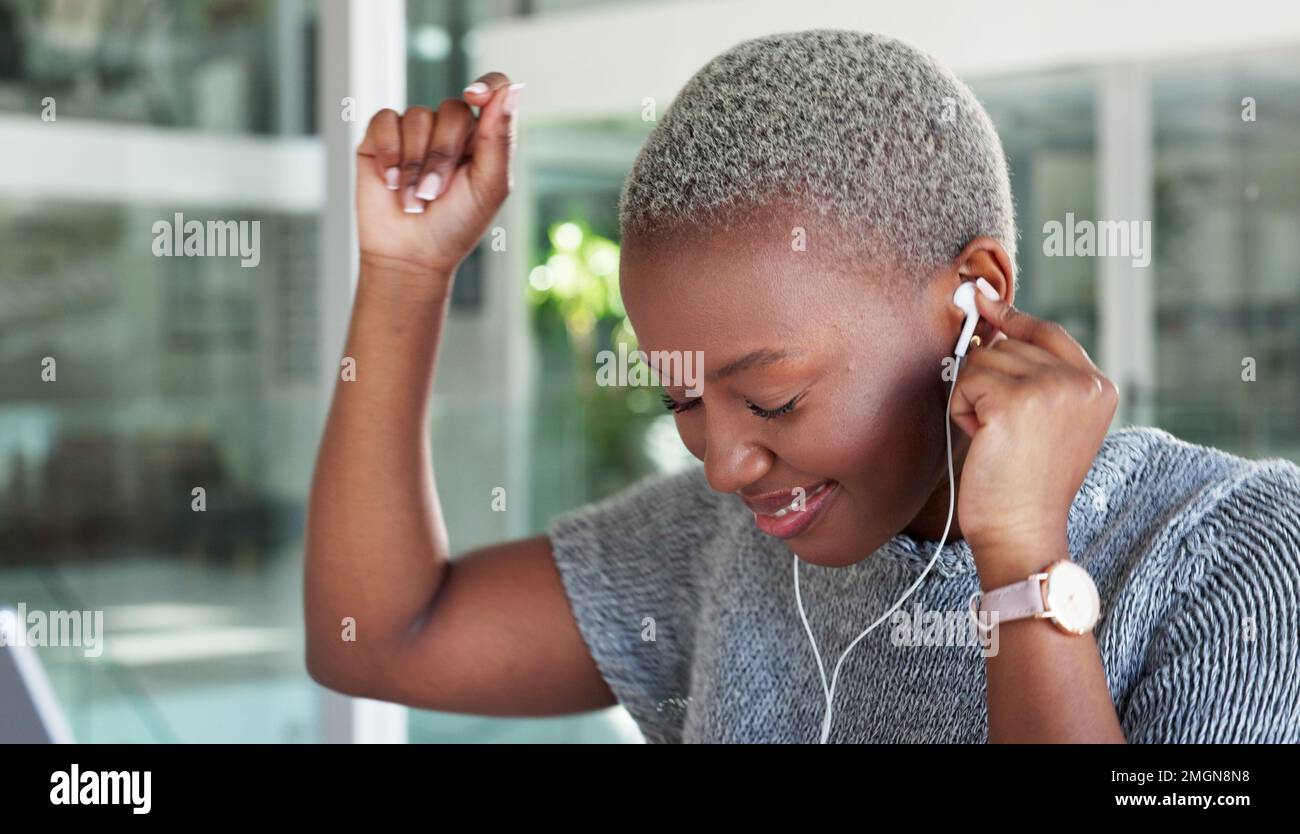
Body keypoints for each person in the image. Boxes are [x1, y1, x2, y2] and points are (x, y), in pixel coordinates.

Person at [303, 29, 1300, 743]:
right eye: (682, 400)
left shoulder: (1232, 557)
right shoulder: (723, 548)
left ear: (974, 297)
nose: (728, 464)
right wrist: (405, 276)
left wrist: (1023, 562)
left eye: (773, 400)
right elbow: (381, 638)